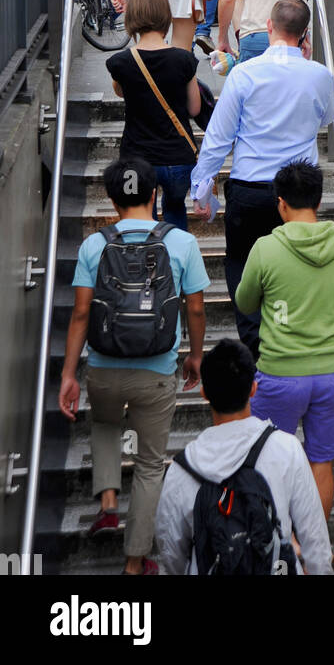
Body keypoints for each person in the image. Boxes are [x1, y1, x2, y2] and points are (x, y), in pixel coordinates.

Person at [59, 158, 209, 576]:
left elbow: (80, 314)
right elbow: (195, 309)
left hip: (104, 367)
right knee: (148, 465)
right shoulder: (181, 243)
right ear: (154, 194)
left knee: (105, 424)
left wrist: (70, 374)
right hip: (157, 370)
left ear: (111, 198)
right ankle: (133, 562)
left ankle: (108, 500)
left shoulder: (95, 244)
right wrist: (195, 356)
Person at [189, 0, 334, 356]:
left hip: (249, 188)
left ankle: (256, 345)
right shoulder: (319, 75)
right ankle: (295, 334)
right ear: (305, 36)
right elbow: (326, 118)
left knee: (241, 261)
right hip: (299, 191)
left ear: (269, 27)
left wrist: (202, 188)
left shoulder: (244, 74)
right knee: (297, 261)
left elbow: (219, 137)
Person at [237, 163, 334, 522]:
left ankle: (279, 542)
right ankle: (316, 550)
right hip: (333, 370)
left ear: (280, 203)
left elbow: (245, 303)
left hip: (280, 372)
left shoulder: (265, 249)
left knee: (267, 459)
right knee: (320, 462)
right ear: (318, 201)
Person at [155, 338, 333, 576]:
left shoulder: (182, 468)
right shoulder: (287, 449)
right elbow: (315, 539)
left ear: (204, 393)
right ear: (253, 389)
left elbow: (170, 552)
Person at [107, 0, 200, 229]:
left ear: (131, 18)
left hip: (137, 160)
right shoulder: (184, 60)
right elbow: (194, 108)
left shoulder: (120, 62)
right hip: (179, 159)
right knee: (176, 207)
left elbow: (120, 91)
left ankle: (147, 261)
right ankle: (176, 260)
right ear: (166, 16)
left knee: (141, 218)